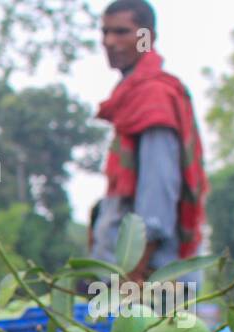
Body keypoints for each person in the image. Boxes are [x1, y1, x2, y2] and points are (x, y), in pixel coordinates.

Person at [91, 0, 208, 289]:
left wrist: (135, 269)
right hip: (136, 275)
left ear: (147, 37)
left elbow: (159, 186)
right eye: (105, 32)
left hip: (153, 277)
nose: (109, 42)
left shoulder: (153, 96)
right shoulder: (131, 96)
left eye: (121, 32)